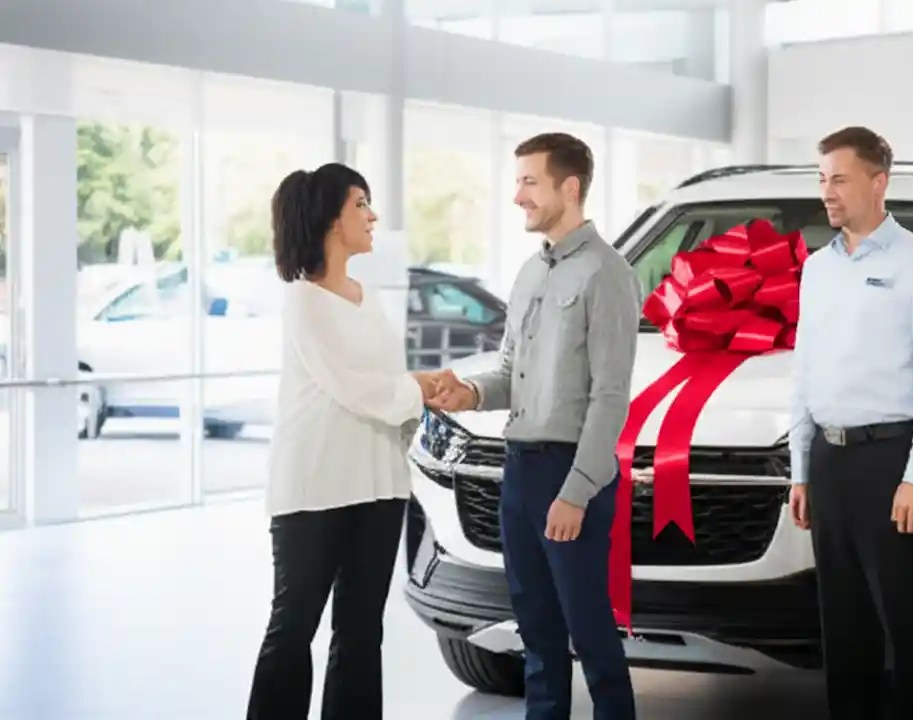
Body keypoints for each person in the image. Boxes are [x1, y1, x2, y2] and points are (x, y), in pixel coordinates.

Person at [427, 132, 640, 720]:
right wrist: (468, 393)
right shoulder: (529, 273)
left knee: (589, 629)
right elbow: (509, 373)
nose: (517, 194)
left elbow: (610, 396)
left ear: (568, 188)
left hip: (572, 470)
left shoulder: (608, 274)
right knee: (536, 630)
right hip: (518, 472)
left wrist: (577, 490)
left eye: (528, 181)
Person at [247, 162, 442, 720]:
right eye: (361, 203)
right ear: (332, 218)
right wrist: (419, 389)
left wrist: (417, 393)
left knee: (360, 633)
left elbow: (386, 383)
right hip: (313, 489)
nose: (372, 215)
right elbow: (355, 387)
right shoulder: (304, 301)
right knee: (293, 628)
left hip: (379, 484)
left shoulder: (367, 295)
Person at [787, 127, 913, 720]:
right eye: (821, 178)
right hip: (831, 465)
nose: (827, 191)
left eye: (838, 178)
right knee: (843, 629)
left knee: (909, 626)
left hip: (892, 461)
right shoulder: (817, 268)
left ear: (878, 181)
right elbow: (804, 371)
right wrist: (802, 468)